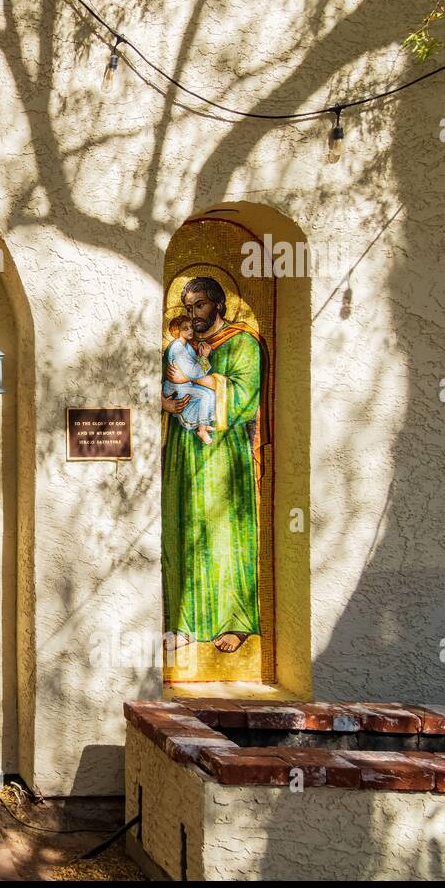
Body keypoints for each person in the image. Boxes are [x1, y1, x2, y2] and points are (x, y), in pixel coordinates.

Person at [161, 277, 263, 656]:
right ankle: (184, 623)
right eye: (188, 308)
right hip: (184, 450)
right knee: (183, 531)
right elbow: (163, 386)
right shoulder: (181, 347)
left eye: (200, 306)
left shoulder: (242, 343)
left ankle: (234, 622)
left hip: (224, 453)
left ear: (219, 305)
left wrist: (201, 379)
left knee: (224, 535)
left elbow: (245, 397)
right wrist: (166, 402)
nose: (194, 314)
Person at [162, 315, 216, 444]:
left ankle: (204, 423)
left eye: (191, 327)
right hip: (175, 389)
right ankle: (201, 430)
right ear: (177, 331)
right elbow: (194, 372)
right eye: (185, 329)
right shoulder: (177, 348)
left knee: (210, 393)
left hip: (184, 385)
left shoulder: (186, 345)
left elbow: (191, 368)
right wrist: (204, 356)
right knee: (204, 395)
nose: (190, 330)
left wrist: (200, 357)